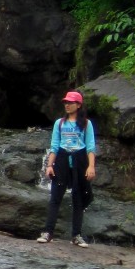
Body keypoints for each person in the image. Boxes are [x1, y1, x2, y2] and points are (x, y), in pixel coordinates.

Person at [37, 90, 96, 247]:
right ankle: (48, 232)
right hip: (62, 160)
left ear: (78, 105)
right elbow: (54, 146)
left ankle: (76, 236)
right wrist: (49, 165)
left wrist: (91, 166)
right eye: (65, 103)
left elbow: (90, 146)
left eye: (70, 103)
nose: (67, 105)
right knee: (55, 197)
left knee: (78, 199)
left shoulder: (86, 124)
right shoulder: (60, 123)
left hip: (80, 160)